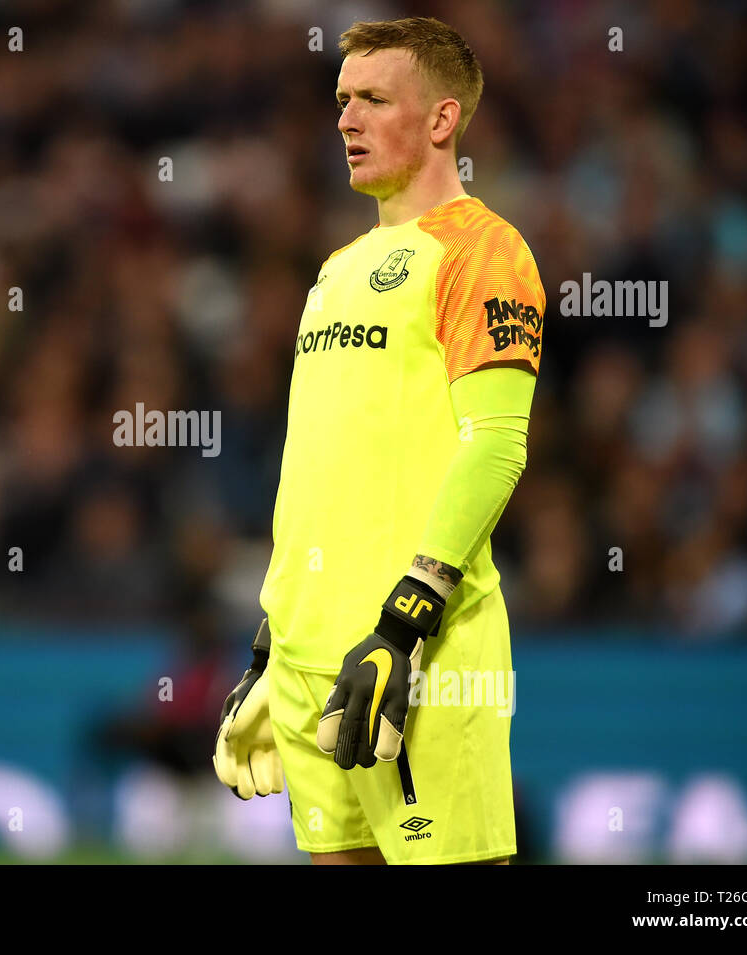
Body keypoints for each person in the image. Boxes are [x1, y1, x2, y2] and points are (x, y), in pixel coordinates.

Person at [213, 16, 544, 865]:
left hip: (417, 652)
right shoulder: (334, 270)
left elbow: (496, 445)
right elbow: (322, 462)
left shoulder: (484, 250)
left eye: (372, 99)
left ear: (441, 120)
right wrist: (270, 639)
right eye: (341, 100)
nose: (345, 120)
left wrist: (408, 619)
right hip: (310, 654)